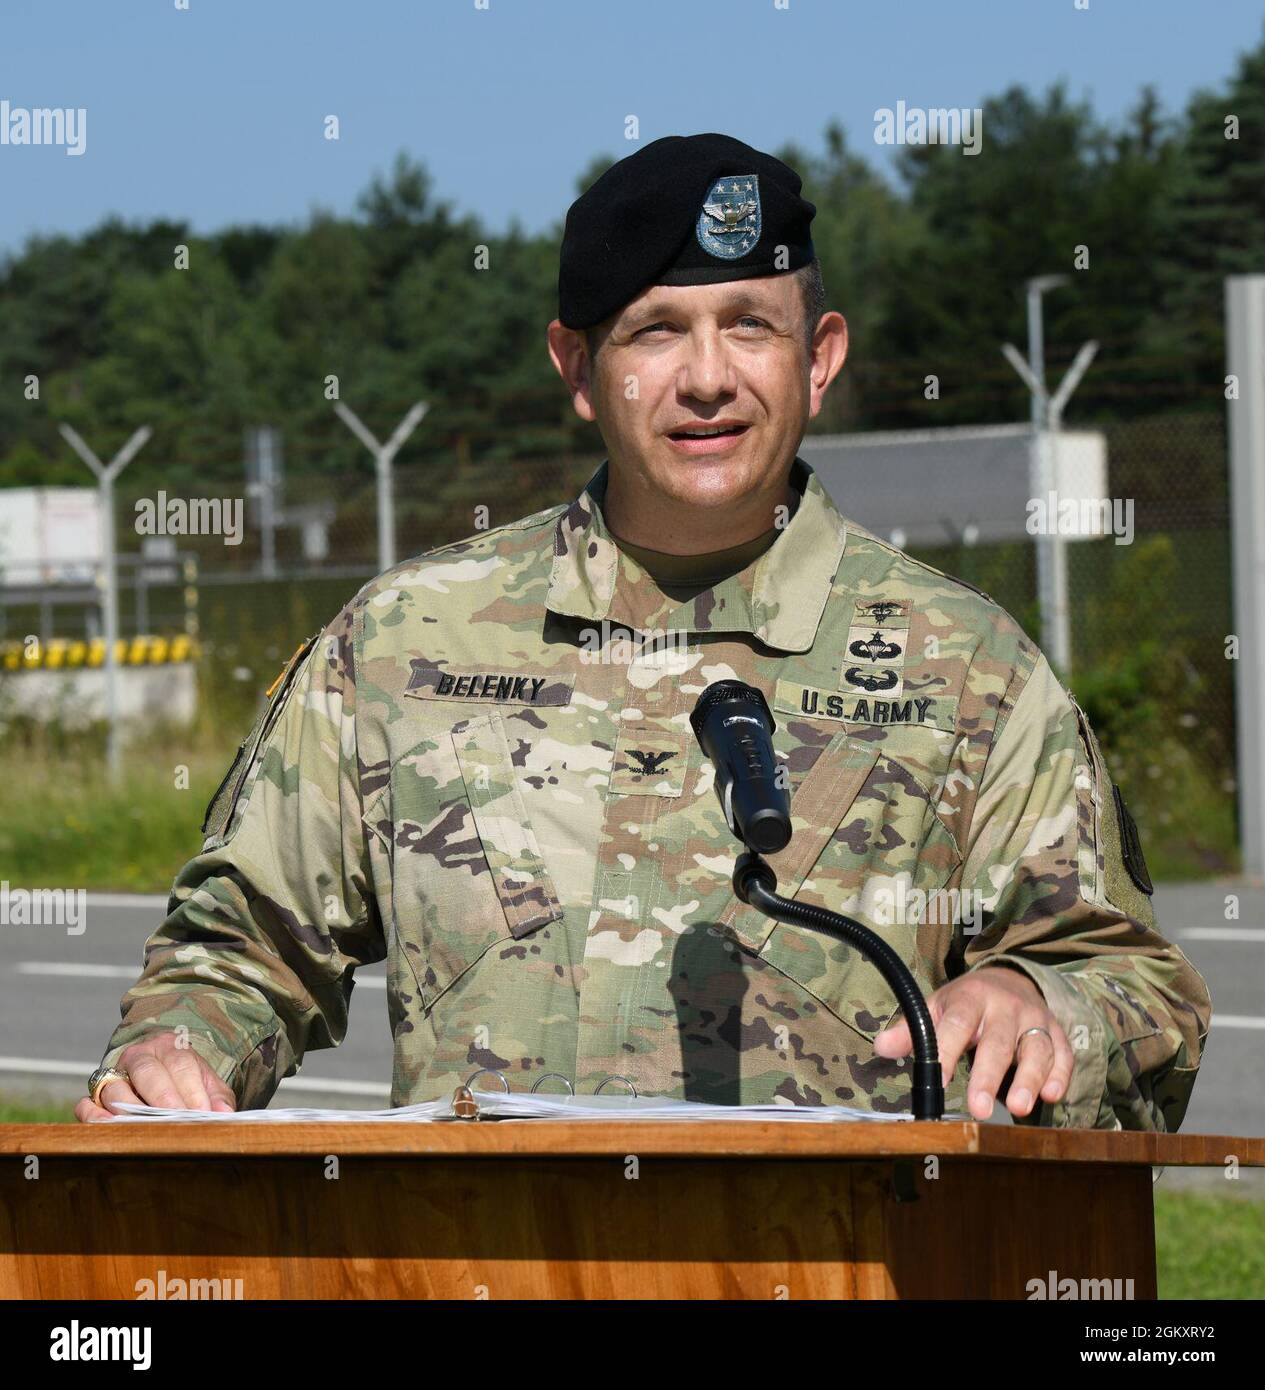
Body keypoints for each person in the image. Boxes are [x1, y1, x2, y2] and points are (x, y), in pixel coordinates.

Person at [79, 133, 1210, 1130]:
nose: (707, 379)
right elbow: (241, 947)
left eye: (747, 327)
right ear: (580, 369)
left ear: (816, 359)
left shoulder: (966, 669)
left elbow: (1130, 988)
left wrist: (1039, 1007)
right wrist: (176, 1048)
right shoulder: (403, 643)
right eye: (655, 332)